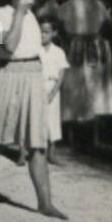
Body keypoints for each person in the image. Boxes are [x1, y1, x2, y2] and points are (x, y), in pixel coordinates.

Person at [0, 0, 67, 219]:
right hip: (7, 76)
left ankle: (45, 202)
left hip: (32, 75)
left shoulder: (33, 17)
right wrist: (18, 12)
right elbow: (3, 49)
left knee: (37, 141)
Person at [57, 0, 112, 151]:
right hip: (96, 49)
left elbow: (60, 28)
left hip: (77, 47)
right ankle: (93, 136)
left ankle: (72, 136)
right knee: (94, 88)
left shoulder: (66, 6)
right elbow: (108, 26)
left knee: (74, 88)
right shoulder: (98, 5)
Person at [39, 17, 69, 166]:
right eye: (41, 31)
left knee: (53, 120)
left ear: (54, 33)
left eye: (46, 32)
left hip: (52, 87)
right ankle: (25, 152)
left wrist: (52, 93)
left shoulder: (59, 52)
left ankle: (52, 153)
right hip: (37, 86)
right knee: (35, 118)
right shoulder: (34, 50)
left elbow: (61, 75)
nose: (43, 35)